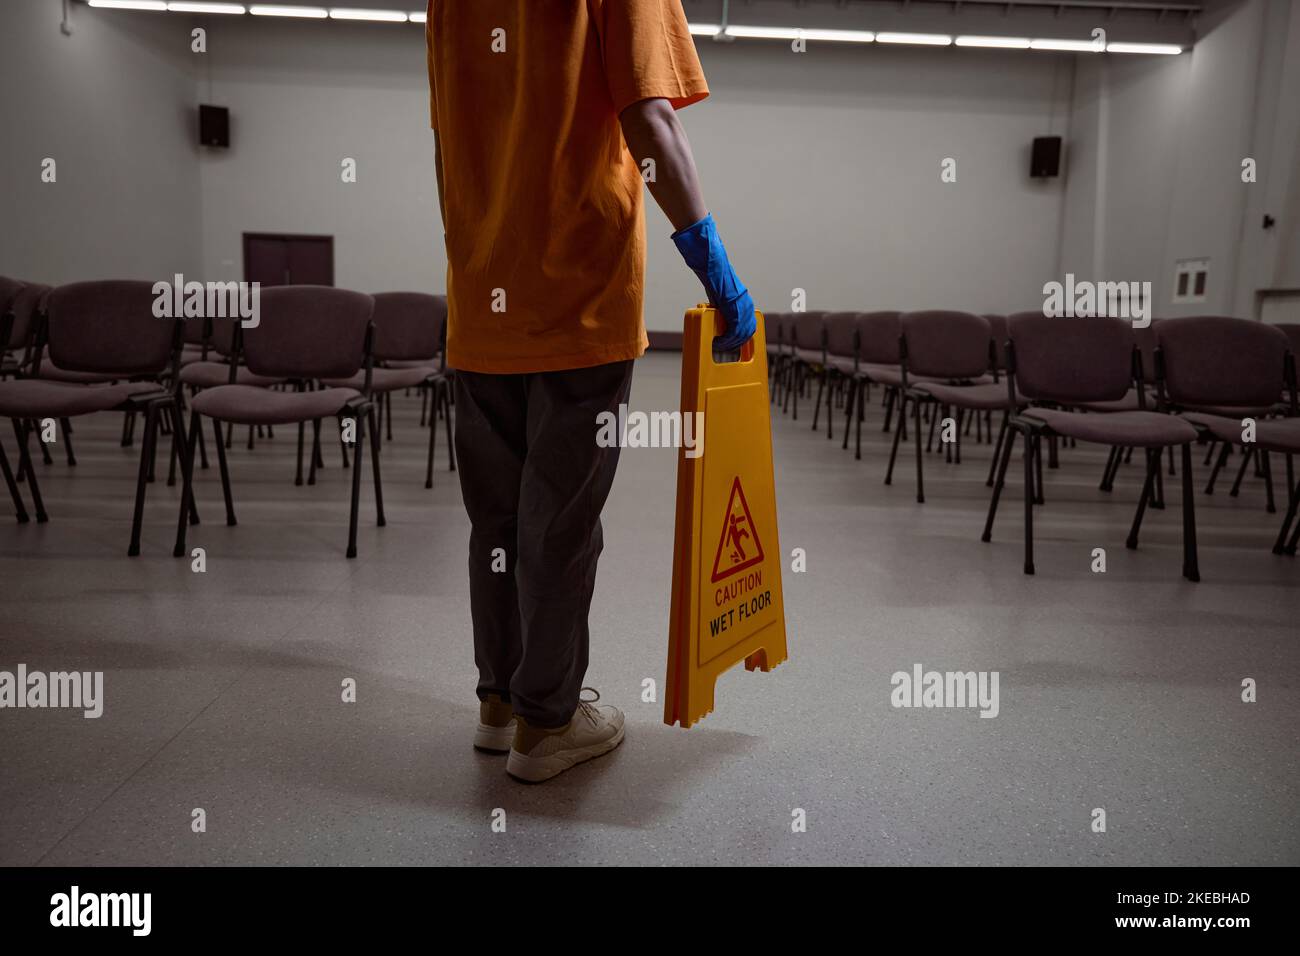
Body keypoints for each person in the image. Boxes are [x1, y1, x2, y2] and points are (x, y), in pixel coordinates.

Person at [426, 0, 755, 783]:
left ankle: (499, 703)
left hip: (481, 300)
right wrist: (714, 266)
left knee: (498, 524)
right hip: (580, 298)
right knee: (561, 525)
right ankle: (548, 724)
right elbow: (651, 122)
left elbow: (449, 133)